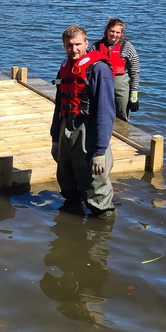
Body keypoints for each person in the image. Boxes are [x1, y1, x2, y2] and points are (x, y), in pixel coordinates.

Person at [50, 25, 116, 218]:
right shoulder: (65, 67)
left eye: (78, 44)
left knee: (95, 183)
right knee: (66, 177)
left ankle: (103, 223)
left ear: (86, 43)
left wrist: (100, 151)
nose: (74, 49)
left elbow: (105, 112)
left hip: (88, 129)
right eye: (69, 45)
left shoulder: (99, 69)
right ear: (64, 46)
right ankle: (70, 221)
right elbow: (58, 106)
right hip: (66, 126)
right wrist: (55, 139)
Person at [89, 18, 140, 122]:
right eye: (112, 31)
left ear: (121, 34)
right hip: (101, 84)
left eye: (118, 32)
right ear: (107, 30)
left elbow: (135, 71)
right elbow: (88, 69)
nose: (114, 34)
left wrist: (134, 95)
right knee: (100, 115)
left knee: (122, 115)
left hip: (121, 84)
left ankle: (124, 135)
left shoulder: (128, 47)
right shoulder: (95, 46)